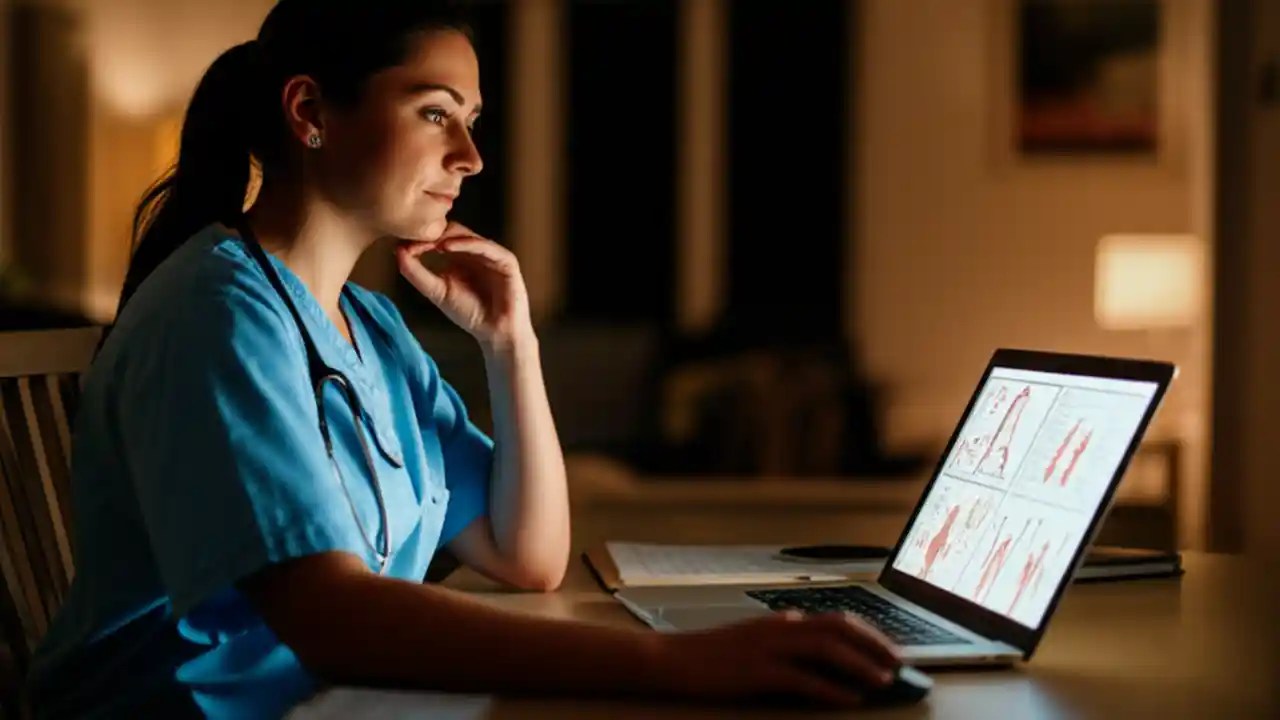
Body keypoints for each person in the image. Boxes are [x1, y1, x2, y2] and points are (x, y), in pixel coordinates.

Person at [26, 2, 902, 717]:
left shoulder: (371, 328)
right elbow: (330, 618)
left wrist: (509, 343)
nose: (471, 157)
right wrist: (679, 662)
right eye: (436, 113)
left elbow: (528, 557)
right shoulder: (217, 314)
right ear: (310, 113)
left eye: (472, 121)